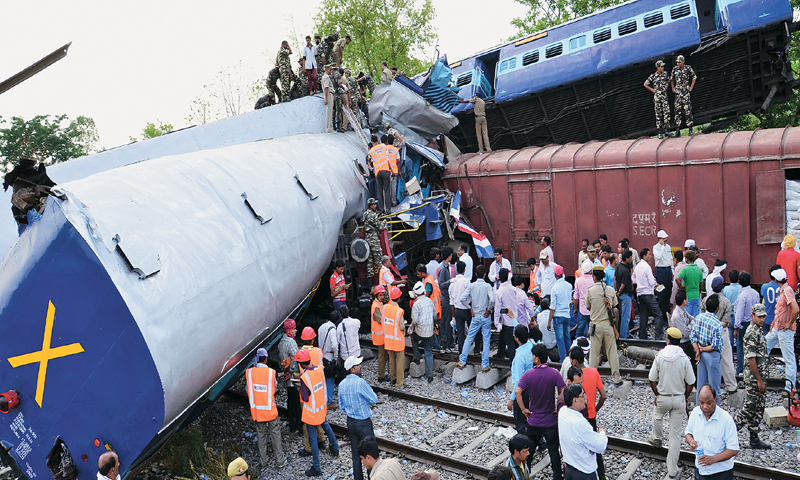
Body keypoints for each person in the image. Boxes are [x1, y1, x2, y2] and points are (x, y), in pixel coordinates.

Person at [647, 328, 695, 478]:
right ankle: (672, 469)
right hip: (679, 398)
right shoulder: (684, 358)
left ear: (668, 339)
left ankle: (657, 437)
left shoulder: (660, 356)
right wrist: (685, 397)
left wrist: (657, 394)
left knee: (657, 415)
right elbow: (691, 382)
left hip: (663, 397)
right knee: (675, 435)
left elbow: (651, 379)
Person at [515, 344, 565, 480]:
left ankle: (525, 476)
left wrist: (523, 409)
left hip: (534, 421)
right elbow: (563, 391)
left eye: (533, 356)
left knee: (529, 453)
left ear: (536, 358)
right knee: (554, 451)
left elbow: (518, 392)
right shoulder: (554, 373)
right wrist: (558, 408)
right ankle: (557, 477)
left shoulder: (529, 374)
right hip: (550, 421)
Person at [295, 349, 339, 477]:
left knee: (313, 440)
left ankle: (317, 467)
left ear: (301, 364)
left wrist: (299, 388)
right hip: (321, 408)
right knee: (327, 427)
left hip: (310, 413)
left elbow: (305, 397)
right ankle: (335, 449)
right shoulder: (320, 369)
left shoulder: (304, 378)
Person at [733, 304, 772, 449]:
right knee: (749, 407)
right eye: (759, 316)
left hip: (760, 377)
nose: (762, 319)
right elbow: (751, 359)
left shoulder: (759, 331)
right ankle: (727, 432)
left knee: (758, 407)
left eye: (763, 316)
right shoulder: (751, 332)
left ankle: (754, 438)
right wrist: (759, 380)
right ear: (753, 316)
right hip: (754, 378)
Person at [684, 385, 740, 480]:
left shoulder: (726, 420)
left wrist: (713, 459)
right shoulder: (695, 413)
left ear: (716, 400)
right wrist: (691, 441)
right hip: (701, 470)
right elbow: (688, 432)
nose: (705, 407)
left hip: (721, 473)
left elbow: (733, 449)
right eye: (701, 403)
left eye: (709, 403)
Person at [247, 348, 288, 469]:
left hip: (257, 413)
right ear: (265, 359)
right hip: (270, 411)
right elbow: (274, 389)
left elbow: (247, 390)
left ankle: (263, 463)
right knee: (275, 435)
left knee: (261, 436)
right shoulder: (271, 373)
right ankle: (280, 461)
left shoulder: (249, 373)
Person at [339, 356, 379, 480]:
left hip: (351, 422)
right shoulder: (360, 382)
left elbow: (341, 406)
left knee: (356, 455)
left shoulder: (341, 384)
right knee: (370, 454)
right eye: (357, 365)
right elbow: (374, 399)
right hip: (364, 423)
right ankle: (372, 477)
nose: (360, 366)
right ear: (352, 369)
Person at [558, 384, 608, 480]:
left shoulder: (563, 412)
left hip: (569, 468)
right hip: (584, 472)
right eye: (583, 395)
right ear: (575, 400)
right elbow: (600, 445)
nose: (585, 398)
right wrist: (602, 433)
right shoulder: (580, 423)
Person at [585, 266, 623, 384]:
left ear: (594, 276)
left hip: (596, 326)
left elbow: (588, 307)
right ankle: (616, 377)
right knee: (612, 351)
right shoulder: (611, 290)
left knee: (594, 354)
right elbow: (615, 305)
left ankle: (592, 378)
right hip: (608, 325)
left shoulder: (590, 291)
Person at [765, 268, 798, 395]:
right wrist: (774, 323)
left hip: (785, 331)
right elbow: (781, 310)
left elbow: (796, 309)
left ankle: (789, 388)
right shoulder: (783, 290)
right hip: (778, 329)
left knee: (789, 359)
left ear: (775, 279)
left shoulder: (786, 291)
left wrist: (789, 323)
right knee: (763, 346)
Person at [701, 277, 737, 393]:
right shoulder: (726, 302)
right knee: (727, 359)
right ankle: (731, 386)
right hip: (722, 331)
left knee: (706, 359)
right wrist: (717, 324)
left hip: (707, 331)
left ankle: (705, 385)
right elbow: (726, 322)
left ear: (711, 287)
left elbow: (702, 317)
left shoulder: (705, 300)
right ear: (722, 287)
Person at [459, 265, 495, 370]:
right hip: (485, 315)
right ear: (484, 275)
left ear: (476, 274)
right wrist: (489, 309)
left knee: (469, 338)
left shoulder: (471, 286)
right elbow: (492, 300)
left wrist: (470, 308)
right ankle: (484, 365)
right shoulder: (488, 286)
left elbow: (462, 299)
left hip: (475, 316)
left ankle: (462, 360)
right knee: (486, 339)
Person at [691, 294, 724, 404]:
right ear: (717, 308)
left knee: (700, 385)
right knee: (715, 388)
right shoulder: (718, 324)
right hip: (712, 356)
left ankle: (698, 409)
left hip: (700, 355)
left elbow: (693, 337)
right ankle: (716, 410)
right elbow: (715, 345)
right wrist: (703, 349)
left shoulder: (698, 318)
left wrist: (698, 350)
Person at [508, 324, 535, 433]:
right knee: (531, 419)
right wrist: (513, 318)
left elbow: (519, 382)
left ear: (517, 338)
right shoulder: (530, 345)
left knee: (520, 421)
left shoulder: (519, 357)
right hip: (531, 388)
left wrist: (511, 399)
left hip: (522, 392)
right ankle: (541, 443)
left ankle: (524, 445)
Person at [733, 271, 759, 375]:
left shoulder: (742, 296)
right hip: (754, 322)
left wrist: (736, 327)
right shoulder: (755, 293)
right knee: (753, 347)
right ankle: (753, 370)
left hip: (744, 325)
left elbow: (739, 313)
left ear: (739, 282)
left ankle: (741, 370)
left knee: (741, 348)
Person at [278, 319, 302, 433]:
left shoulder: (282, 342)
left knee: (290, 401)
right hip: (293, 377)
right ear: (289, 330)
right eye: (293, 329)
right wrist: (293, 372)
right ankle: (299, 424)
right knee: (296, 401)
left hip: (286, 375)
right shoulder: (291, 342)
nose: (295, 330)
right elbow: (296, 358)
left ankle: (292, 425)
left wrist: (285, 371)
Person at [635, 248, 664, 340]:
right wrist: (655, 283)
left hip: (640, 294)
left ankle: (642, 336)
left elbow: (633, 279)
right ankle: (658, 337)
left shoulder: (637, 266)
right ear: (644, 256)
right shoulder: (647, 267)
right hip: (648, 293)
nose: (650, 256)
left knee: (643, 315)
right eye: (649, 255)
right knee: (658, 314)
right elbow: (651, 282)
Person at [410, 282, 435, 382]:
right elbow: (434, 316)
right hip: (429, 332)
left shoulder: (416, 305)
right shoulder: (430, 301)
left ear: (415, 294)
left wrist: (411, 329)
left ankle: (416, 358)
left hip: (419, 332)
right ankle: (430, 376)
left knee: (413, 338)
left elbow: (414, 321)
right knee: (428, 351)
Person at [383, 287, 406, 389]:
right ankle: (399, 383)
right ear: (399, 298)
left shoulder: (384, 308)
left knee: (391, 360)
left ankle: (393, 378)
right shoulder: (399, 311)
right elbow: (401, 326)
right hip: (398, 341)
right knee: (400, 361)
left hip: (388, 339)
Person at [548, 265, 572, 361]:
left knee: (560, 340)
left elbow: (553, 307)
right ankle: (570, 358)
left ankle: (563, 360)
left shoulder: (554, 288)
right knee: (567, 338)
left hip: (558, 316)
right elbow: (570, 302)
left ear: (555, 275)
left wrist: (549, 321)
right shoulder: (569, 286)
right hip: (567, 315)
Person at [670, 54, 697, 137]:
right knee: (677, 112)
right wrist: (673, 88)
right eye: (677, 62)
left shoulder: (688, 68)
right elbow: (671, 79)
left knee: (688, 110)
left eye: (680, 62)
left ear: (683, 62)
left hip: (685, 93)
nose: (678, 64)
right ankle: (678, 130)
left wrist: (691, 87)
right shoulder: (675, 69)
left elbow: (694, 77)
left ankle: (690, 129)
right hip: (678, 93)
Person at [495, 268, 518, 362]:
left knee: (511, 344)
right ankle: (500, 353)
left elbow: (497, 309)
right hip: (514, 319)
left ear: (499, 278)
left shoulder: (499, 292)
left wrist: (497, 323)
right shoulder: (513, 289)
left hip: (506, 321)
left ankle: (513, 365)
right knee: (504, 338)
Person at [644, 60, 671, 138]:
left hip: (664, 96)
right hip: (657, 97)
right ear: (658, 67)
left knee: (667, 113)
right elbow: (645, 84)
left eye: (663, 66)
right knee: (658, 114)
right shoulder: (653, 76)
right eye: (661, 66)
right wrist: (652, 90)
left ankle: (667, 130)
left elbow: (668, 81)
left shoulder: (665, 74)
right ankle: (660, 131)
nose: (663, 68)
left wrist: (666, 87)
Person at [670, 290, 696, 371]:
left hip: (687, 341)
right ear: (684, 300)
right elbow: (686, 332)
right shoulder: (677, 315)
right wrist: (691, 323)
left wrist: (690, 322)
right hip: (683, 342)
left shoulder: (682, 310)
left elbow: (690, 317)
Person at [437, 247, 456, 353]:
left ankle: (448, 343)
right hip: (445, 298)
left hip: (447, 297)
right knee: (445, 322)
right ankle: (445, 344)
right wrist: (450, 282)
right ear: (449, 255)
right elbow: (441, 285)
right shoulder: (443, 268)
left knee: (447, 321)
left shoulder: (445, 267)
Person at [361, 198, 386, 278]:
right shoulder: (373, 215)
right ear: (371, 206)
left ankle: (370, 282)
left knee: (370, 261)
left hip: (367, 239)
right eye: (374, 204)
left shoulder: (365, 214)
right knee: (379, 260)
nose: (375, 206)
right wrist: (384, 221)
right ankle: (383, 279)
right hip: (374, 239)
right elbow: (380, 227)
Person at [450, 261, 472, 354]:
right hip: (466, 310)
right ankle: (471, 349)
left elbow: (451, 302)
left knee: (460, 333)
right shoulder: (466, 282)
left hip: (457, 310)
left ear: (456, 270)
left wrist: (453, 316)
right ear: (464, 270)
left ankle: (461, 353)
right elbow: (470, 296)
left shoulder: (452, 283)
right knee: (471, 331)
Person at [319, 312, 339, 407]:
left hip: (321, 355)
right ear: (336, 320)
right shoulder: (333, 330)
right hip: (330, 357)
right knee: (330, 380)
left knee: (323, 378)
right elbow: (335, 345)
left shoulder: (321, 327)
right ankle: (329, 401)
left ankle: (322, 398)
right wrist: (336, 357)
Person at [653, 230, 673, 328]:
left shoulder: (668, 247)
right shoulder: (656, 247)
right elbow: (658, 257)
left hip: (668, 270)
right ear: (660, 239)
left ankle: (667, 314)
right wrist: (662, 246)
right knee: (661, 293)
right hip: (660, 271)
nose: (665, 240)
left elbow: (670, 259)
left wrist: (672, 271)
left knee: (668, 293)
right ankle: (661, 316)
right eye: (663, 238)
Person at [677, 248, 703, 318]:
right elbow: (701, 283)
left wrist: (680, 287)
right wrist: (699, 291)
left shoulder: (685, 269)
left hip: (688, 296)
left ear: (686, 259)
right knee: (695, 318)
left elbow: (677, 278)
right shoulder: (699, 269)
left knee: (688, 318)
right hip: (696, 295)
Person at [371, 286, 389, 382]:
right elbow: (380, 320)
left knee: (383, 356)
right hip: (380, 337)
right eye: (380, 295)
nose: (382, 296)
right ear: (376, 295)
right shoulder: (376, 306)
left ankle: (381, 374)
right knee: (382, 356)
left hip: (381, 336)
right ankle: (381, 376)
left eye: (383, 295)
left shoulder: (379, 304)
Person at [369, 138, 392, 214]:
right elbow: (388, 157)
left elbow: (371, 161)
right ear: (378, 140)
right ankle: (388, 209)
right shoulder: (383, 146)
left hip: (378, 172)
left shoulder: (371, 151)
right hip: (385, 170)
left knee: (379, 192)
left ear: (372, 142)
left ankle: (381, 209)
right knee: (387, 191)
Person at [616, 250, 634, 339]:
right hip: (625, 295)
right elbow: (623, 285)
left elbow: (615, 278)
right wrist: (619, 293)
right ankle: (624, 337)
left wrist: (617, 292)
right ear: (626, 258)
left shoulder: (618, 266)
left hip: (620, 295)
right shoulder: (626, 271)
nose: (631, 259)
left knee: (622, 316)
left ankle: (624, 334)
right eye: (630, 258)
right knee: (625, 317)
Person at [573, 260, 594, 338]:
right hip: (592, 309)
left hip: (582, 309)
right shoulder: (593, 281)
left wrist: (575, 308)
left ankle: (577, 345)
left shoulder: (578, 280)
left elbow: (576, 297)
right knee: (592, 330)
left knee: (579, 330)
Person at [536, 297, 559, 362]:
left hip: (544, 344)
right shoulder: (554, 315)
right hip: (553, 345)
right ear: (549, 305)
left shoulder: (539, 316)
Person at [761, 266, 780, 335]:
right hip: (779, 319)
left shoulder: (764, 287)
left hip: (767, 318)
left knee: (766, 341)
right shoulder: (783, 288)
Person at [322, 64, 335, 132]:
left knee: (329, 111)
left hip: (328, 95)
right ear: (326, 70)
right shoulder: (326, 77)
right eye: (330, 70)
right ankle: (329, 128)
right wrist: (326, 98)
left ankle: (329, 127)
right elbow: (326, 88)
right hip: (329, 95)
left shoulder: (324, 77)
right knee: (329, 112)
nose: (331, 71)